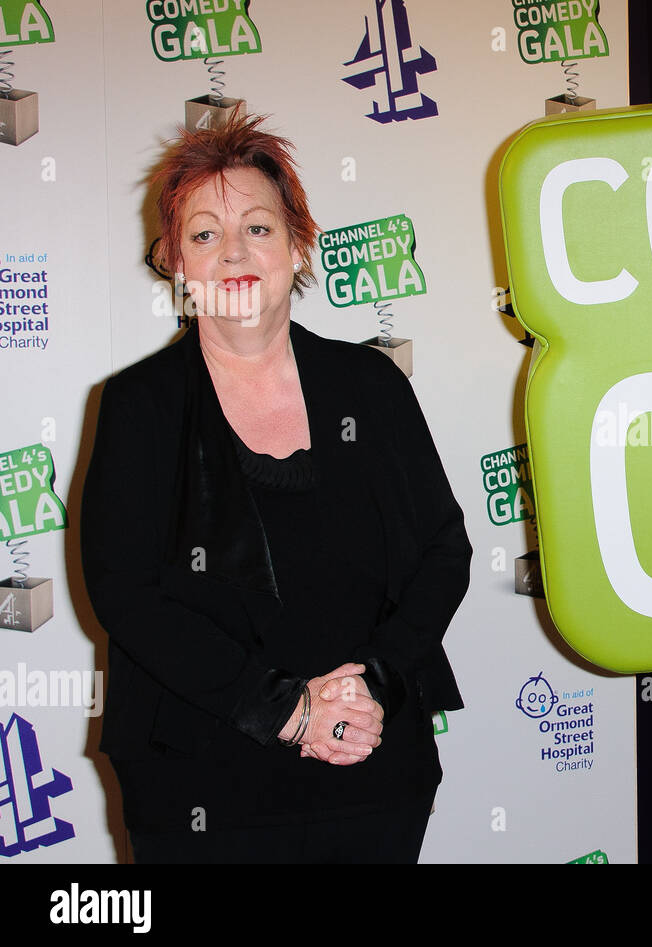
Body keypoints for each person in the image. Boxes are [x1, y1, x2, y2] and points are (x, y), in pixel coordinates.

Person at [80, 115, 472, 863]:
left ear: (297, 246)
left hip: (371, 765)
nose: (232, 251)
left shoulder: (371, 385)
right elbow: (124, 591)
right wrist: (290, 711)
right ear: (173, 262)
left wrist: (372, 688)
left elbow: (444, 551)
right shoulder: (140, 405)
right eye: (203, 234)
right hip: (202, 786)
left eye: (258, 226)